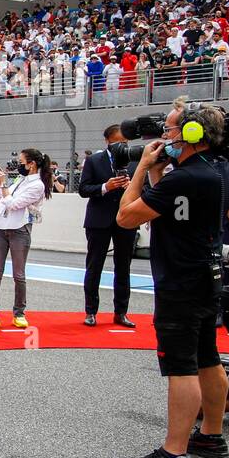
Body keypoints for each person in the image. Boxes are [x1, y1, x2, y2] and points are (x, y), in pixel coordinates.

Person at [115, 102, 229, 458]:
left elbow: (126, 215)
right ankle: (211, 435)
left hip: (180, 280)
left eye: (170, 131)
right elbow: (171, 206)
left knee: (181, 366)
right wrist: (161, 170)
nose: (164, 138)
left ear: (192, 134)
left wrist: (144, 168)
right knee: (207, 357)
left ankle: (173, 455)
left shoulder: (185, 178)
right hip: (203, 275)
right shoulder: (212, 172)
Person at [0, 148, 52, 329]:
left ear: (31, 164)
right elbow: (0, 198)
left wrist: (5, 186)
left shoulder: (37, 185)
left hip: (20, 230)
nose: (18, 164)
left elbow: (13, 204)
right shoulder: (19, 180)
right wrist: (0, 182)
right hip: (0, 228)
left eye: (21, 162)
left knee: (19, 274)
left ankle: (19, 313)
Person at [79, 124, 138, 328]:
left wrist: (131, 187)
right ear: (107, 141)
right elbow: (83, 188)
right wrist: (105, 187)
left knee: (124, 268)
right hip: (99, 220)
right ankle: (91, 311)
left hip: (126, 219)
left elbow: (145, 189)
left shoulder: (134, 160)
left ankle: (121, 312)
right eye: (117, 142)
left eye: (125, 142)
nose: (122, 146)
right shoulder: (94, 161)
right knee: (94, 266)